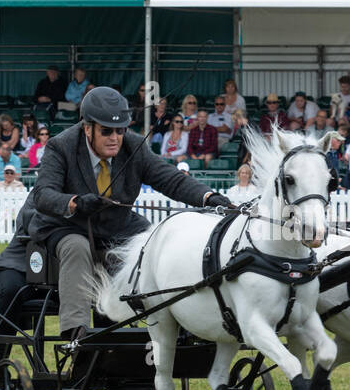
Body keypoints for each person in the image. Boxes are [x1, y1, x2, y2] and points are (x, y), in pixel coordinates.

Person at [27, 86, 228, 343]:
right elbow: (43, 194)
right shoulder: (61, 146)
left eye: (120, 130)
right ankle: (75, 334)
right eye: (106, 131)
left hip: (116, 225)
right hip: (67, 225)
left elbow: (170, 179)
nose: (115, 137)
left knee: (154, 240)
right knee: (77, 248)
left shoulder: (134, 145)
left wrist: (208, 197)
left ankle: (166, 320)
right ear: (87, 128)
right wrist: (76, 202)